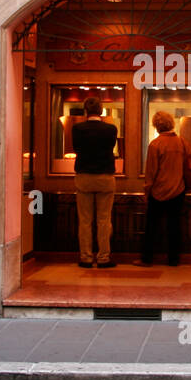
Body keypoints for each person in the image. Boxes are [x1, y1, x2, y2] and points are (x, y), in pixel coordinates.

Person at [71, 96, 118, 269]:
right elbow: (111, 147)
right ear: (101, 110)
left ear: (86, 110)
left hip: (84, 176)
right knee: (104, 220)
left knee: (85, 220)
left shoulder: (77, 129)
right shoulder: (111, 129)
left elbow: (76, 148)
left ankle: (86, 257)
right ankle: (104, 257)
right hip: (105, 176)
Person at [141, 111, 188, 267]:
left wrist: (147, 192)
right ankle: (173, 259)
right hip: (178, 190)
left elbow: (151, 172)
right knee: (174, 227)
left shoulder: (155, 144)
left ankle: (147, 258)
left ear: (156, 125)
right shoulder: (182, 142)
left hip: (159, 192)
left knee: (152, 227)